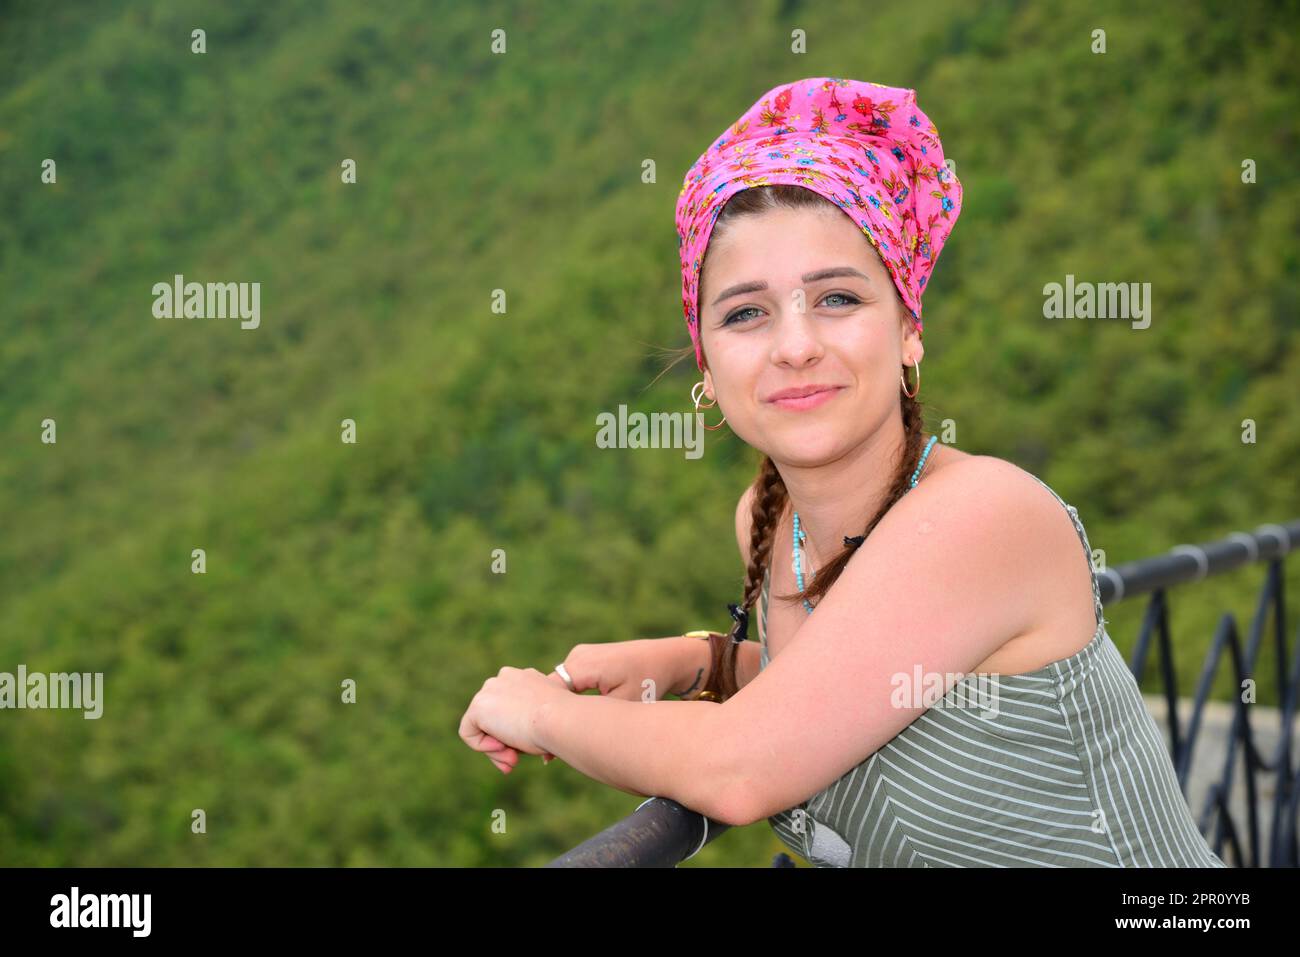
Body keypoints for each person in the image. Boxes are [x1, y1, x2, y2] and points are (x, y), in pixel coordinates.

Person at [458, 77, 1226, 867]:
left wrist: (538, 710)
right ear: (708, 366)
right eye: (746, 313)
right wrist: (700, 661)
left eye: (836, 298)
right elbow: (868, 681)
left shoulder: (981, 517)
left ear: (907, 332)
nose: (794, 345)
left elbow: (739, 768)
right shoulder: (772, 516)